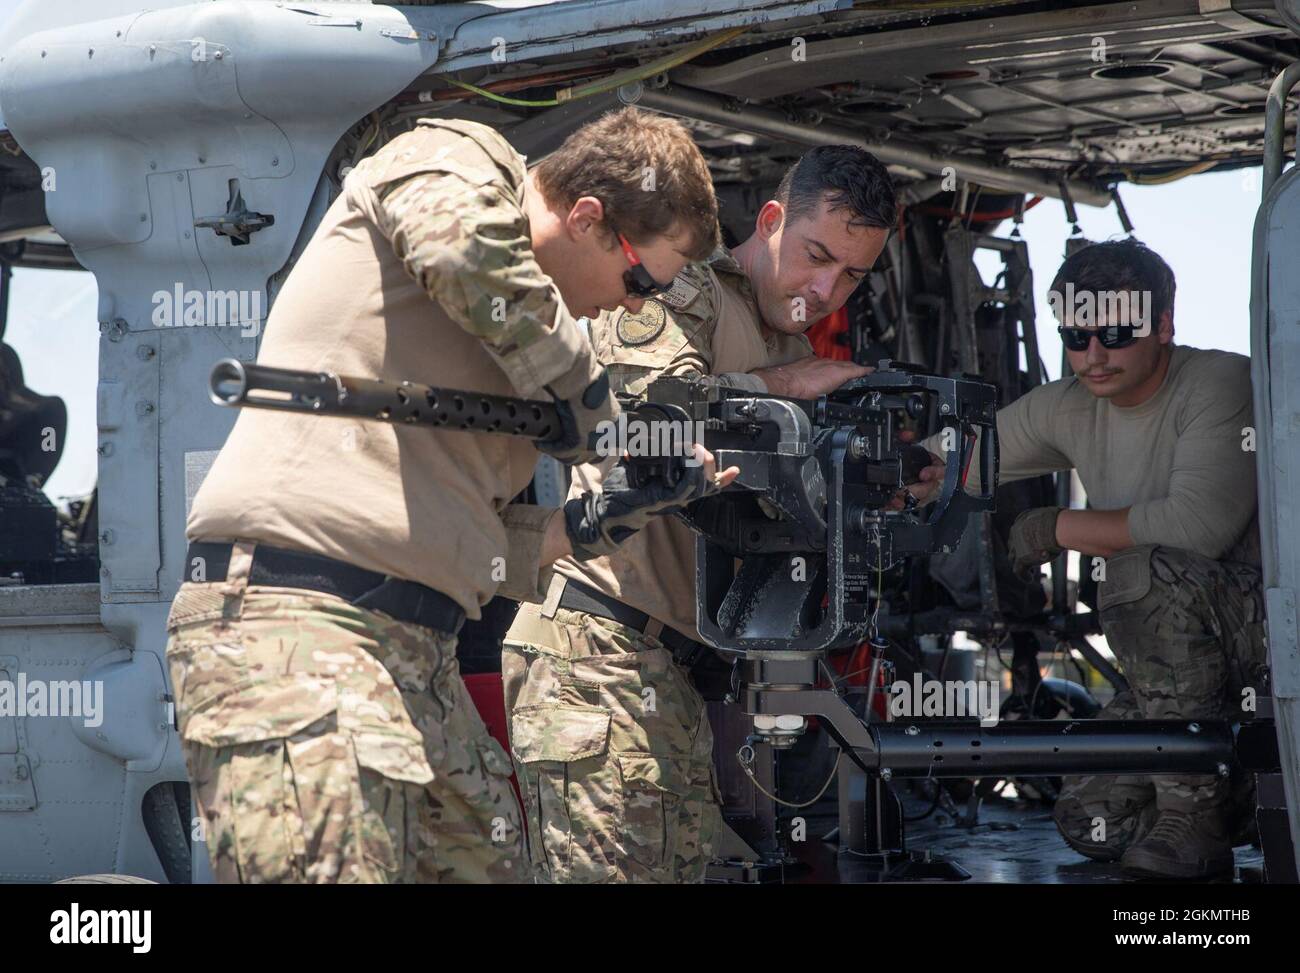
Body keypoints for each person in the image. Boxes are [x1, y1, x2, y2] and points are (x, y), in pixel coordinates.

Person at [165, 107, 735, 883]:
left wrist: (605, 514)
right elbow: (463, 252)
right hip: (294, 624)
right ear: (588, 218)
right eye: (639, 279)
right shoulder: (454, 159)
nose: (635, 307)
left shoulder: (525, 358)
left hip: (417, 655)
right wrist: (599, 416)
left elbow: (491, 552)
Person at [502, 144, 899, 883]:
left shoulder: (785, 337)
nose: (826, 287)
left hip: (682, 672)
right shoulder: (685, 290)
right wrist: (787, 385)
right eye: (816, 255)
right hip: (603, 658)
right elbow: (638, 424)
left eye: (851, 274)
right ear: (773, 219)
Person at [917, 239, 1267, 879]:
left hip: (1267, 650)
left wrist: (1056, 525)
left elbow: (1196, 529)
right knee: (1092, 816)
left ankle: (1196, 824)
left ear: (1163, 324)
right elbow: (952, 459)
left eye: (1115, 332)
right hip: (1177, 677)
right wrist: (893, 466)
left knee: (1143, 568)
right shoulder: (1070, 403)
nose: (1095, 355)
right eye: (1077, 338)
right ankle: (1250, 795)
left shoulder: (1221, 382)